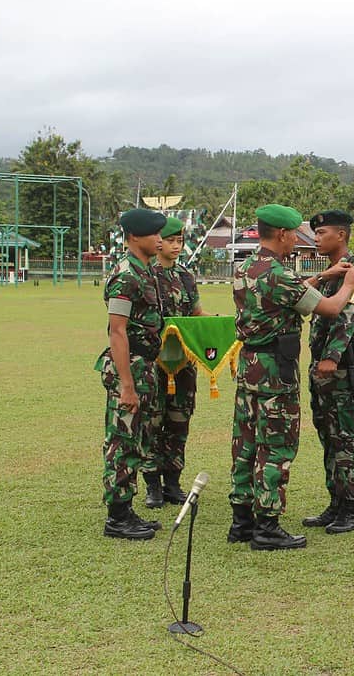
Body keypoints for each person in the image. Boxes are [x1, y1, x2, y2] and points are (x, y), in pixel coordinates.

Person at [228, 204, 354, 551]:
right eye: (298, 235)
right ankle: (268, 527)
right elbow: (333, 309)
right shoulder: (280, 274)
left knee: (245, 444)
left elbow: (285, 292)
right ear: (283, 234)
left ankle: (242, 521)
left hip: (249, 368)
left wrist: (321, 277)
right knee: (275, 445)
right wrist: (347, 282)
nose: (301, 241)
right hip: (275, 370)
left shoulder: (245, 267)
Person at [97, 209, 168, 540]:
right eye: (154, 234)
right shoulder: (126, 275)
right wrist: (127, 385)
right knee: (122, 440)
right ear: (135, 237)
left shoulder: (146, 271)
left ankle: (126, 509)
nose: (160, 239)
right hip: (131, 368)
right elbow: (118, 332)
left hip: (145, 367)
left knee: (137, 439)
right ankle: (117, 517)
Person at [301, 210, 354, 534]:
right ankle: (336, 503)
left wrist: (330, 357)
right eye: (315, 233)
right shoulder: (333, 273)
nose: (316, 238)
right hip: (322, 367)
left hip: (341, 367)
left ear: (341, 235)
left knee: (344, 436)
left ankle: (352, 507)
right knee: (327, 436)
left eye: (322, 232)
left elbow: (349, 317)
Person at [142, 216, 210, 510]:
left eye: (180, 241)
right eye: (171, 240)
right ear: (158, 243)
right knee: (152, 423)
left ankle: (172, 482)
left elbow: (196, 314)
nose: (176, 246)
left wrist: (223, 325)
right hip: (155, 364)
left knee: (179, 422)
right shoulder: (147, 275)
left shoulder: (185, 276)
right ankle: (152, 486)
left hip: (182, 364)